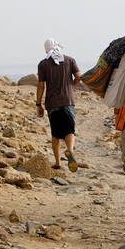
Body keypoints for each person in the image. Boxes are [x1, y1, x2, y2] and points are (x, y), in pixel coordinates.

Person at [35, 38, 82, 170]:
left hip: (52, 104)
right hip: (68, 101)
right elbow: (79, 76)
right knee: (69, 131)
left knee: (55, 134)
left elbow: (40, 86)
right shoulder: (70, 60)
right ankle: (70, 151)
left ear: (46, 49)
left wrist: (38, 104)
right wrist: (71, 86)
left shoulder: (43, 64)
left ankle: (57, 163)